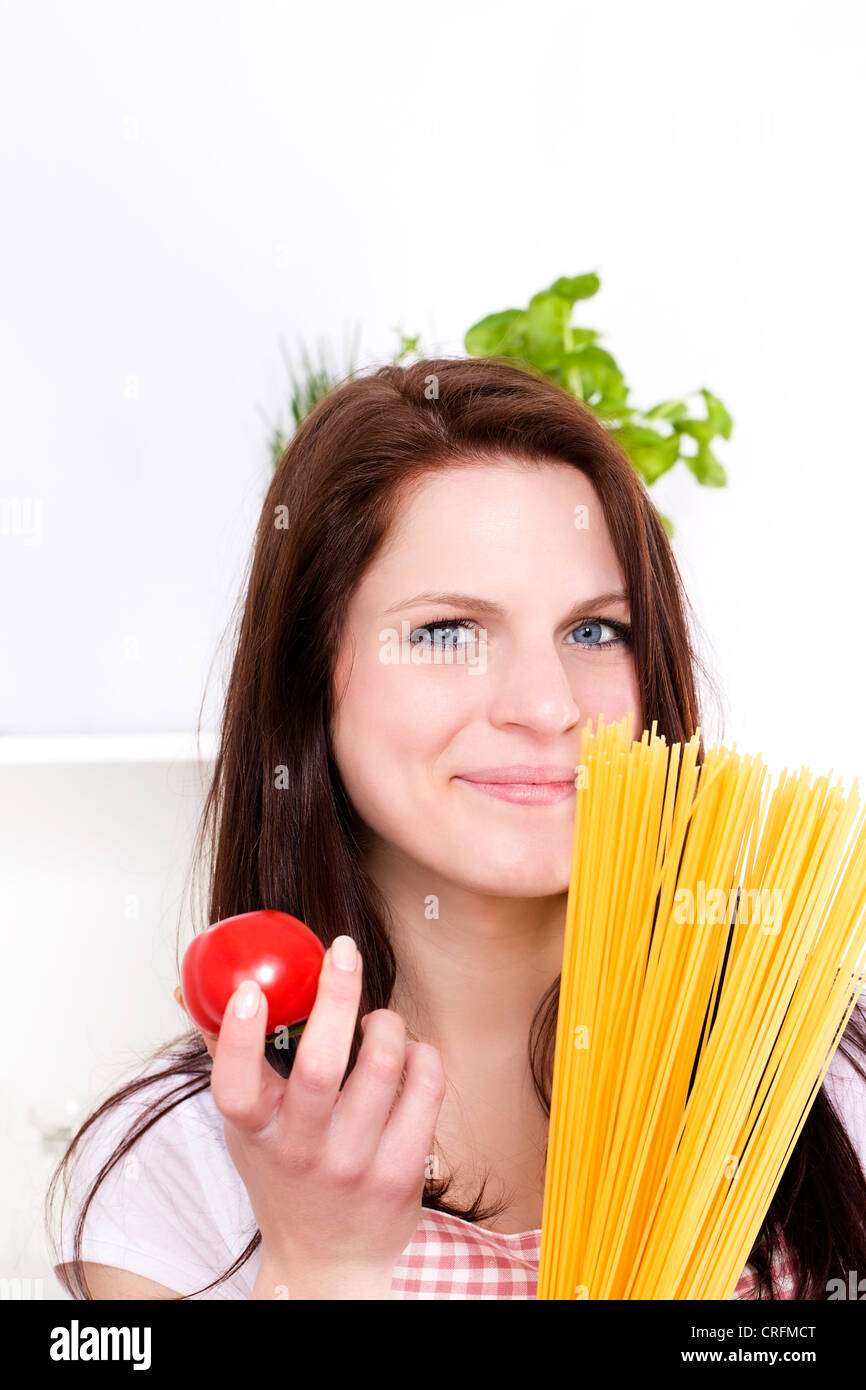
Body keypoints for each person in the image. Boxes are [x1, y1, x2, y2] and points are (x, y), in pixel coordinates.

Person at [47, 356, 866, 1300]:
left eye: (596, 631)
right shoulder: (174, 1170)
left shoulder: (823, 1084)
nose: (548, 705)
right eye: (448, 632)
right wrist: (324, 1266)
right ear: (312, 676)